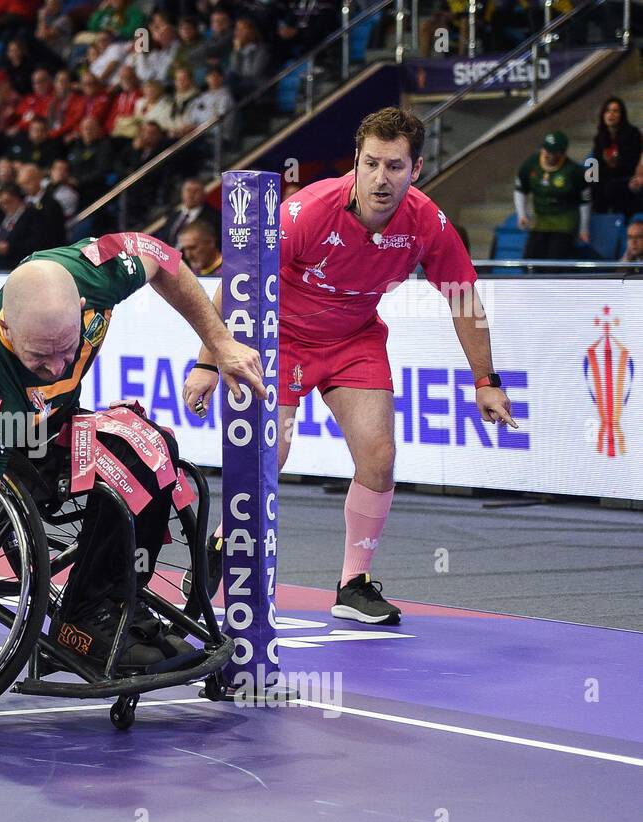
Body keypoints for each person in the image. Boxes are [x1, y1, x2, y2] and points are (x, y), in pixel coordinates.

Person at [184, 107, 514, 626]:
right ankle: (223, 544)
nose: (382, 179)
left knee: (379, 458)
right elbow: (238, 278)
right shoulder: (309, 210)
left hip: (354, 337)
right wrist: (208, 359)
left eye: (395, 167)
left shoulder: (427, 223)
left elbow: (464, 299)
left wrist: (485, 380)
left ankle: (353, 584)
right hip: (280, 339)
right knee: (275, 451)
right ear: (356, 163)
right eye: (372, 164)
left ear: (417, 169)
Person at [0, 231, 264, 724]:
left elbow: (164, 259)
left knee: (151, 449)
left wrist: (217, 343)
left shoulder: (96, 269)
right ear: (6, 328)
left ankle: (113, 603)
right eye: (37, 358)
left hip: (59, 424)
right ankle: (82, 621)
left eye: (65, 350)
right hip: (10, 438)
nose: (55, 367)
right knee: (108, 480)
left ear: (83, 306)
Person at [514, 130, 590, 262]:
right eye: (545, 149)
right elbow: (520, 189)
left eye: (552, 152)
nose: (547, 154)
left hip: (564, 223)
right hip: (540, 221)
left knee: (553, 261)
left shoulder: (574, 171)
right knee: (529, 260)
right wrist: (522, 214)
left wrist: (583, 228)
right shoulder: (531, 164)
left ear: (562, 153)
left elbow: (585, 201)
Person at [590, 97, 642, 217]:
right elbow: (597, 164)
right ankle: (600, 220)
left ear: (621, 115)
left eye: (615, 111)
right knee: (593, 183)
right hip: (608, 178)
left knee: (611, 187)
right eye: (608, 111)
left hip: (628, 177)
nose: (611, 114)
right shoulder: (600, 138)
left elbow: (629, 164)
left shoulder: (632, 134)